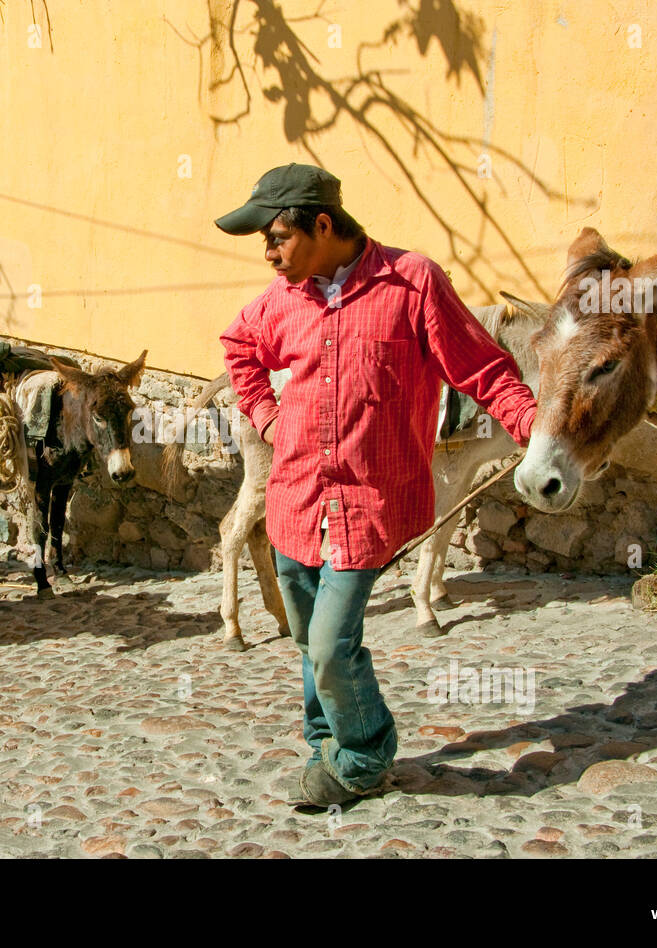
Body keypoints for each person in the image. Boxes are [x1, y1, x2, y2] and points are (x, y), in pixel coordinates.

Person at [216, 163, 537, 807]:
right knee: (309, 642)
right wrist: (266, 414)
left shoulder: (411, 283)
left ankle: (362, 756)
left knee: (332, 646)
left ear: (323, 225)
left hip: (368, 504)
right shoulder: (281, 303)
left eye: (277, 238)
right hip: (296, 500)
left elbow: (483, 367)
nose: (270, 256)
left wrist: (532, 426)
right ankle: (323, 745)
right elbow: (238, 347)